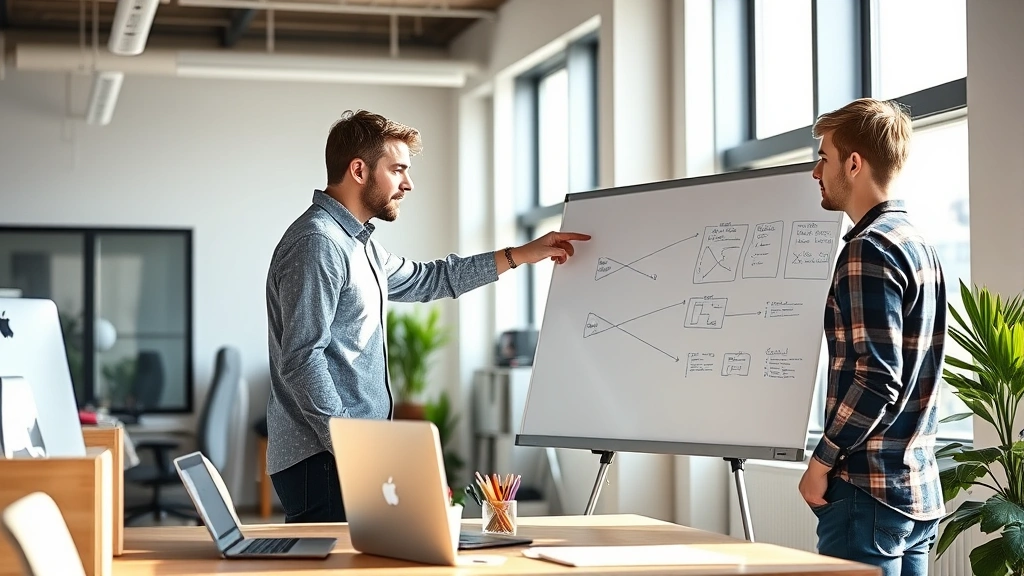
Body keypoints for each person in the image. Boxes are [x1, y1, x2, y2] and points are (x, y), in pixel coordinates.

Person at [264, 109, 591, 523]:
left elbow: (428, 279)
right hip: (325, 459)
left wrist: (521, 255)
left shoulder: (357, 245)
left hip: (344, 453)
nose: (408, 183)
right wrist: (351, 446)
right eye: (398, 169)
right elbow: (303, 358)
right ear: (359, 170)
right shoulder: (319, 243)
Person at [798, 98, 946, 576]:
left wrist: (821, 462)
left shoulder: (867, 249)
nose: (816, 171)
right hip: (915, 491)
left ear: (854, 163)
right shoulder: (917, 242)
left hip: (867, 493)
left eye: (824, 157)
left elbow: (877, 377)